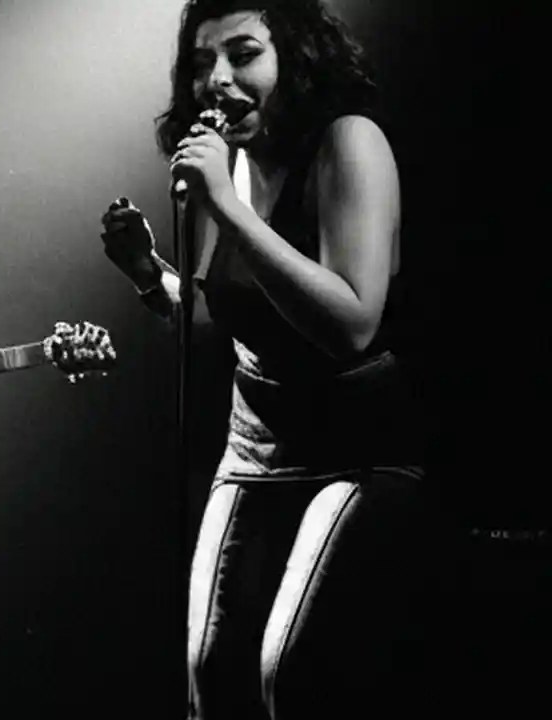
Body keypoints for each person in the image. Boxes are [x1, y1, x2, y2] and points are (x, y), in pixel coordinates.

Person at [100, 1, 441, 718]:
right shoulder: (229, 170)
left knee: (288, 670)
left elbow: (351, 322)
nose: (217, 80)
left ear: (296, 56)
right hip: (254, 442)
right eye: (201, 64)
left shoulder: (349, 144)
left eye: (243, 54)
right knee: (208, 670)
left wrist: (231, 209)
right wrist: (145, 273)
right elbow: (213, 316)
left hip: (357, 448)